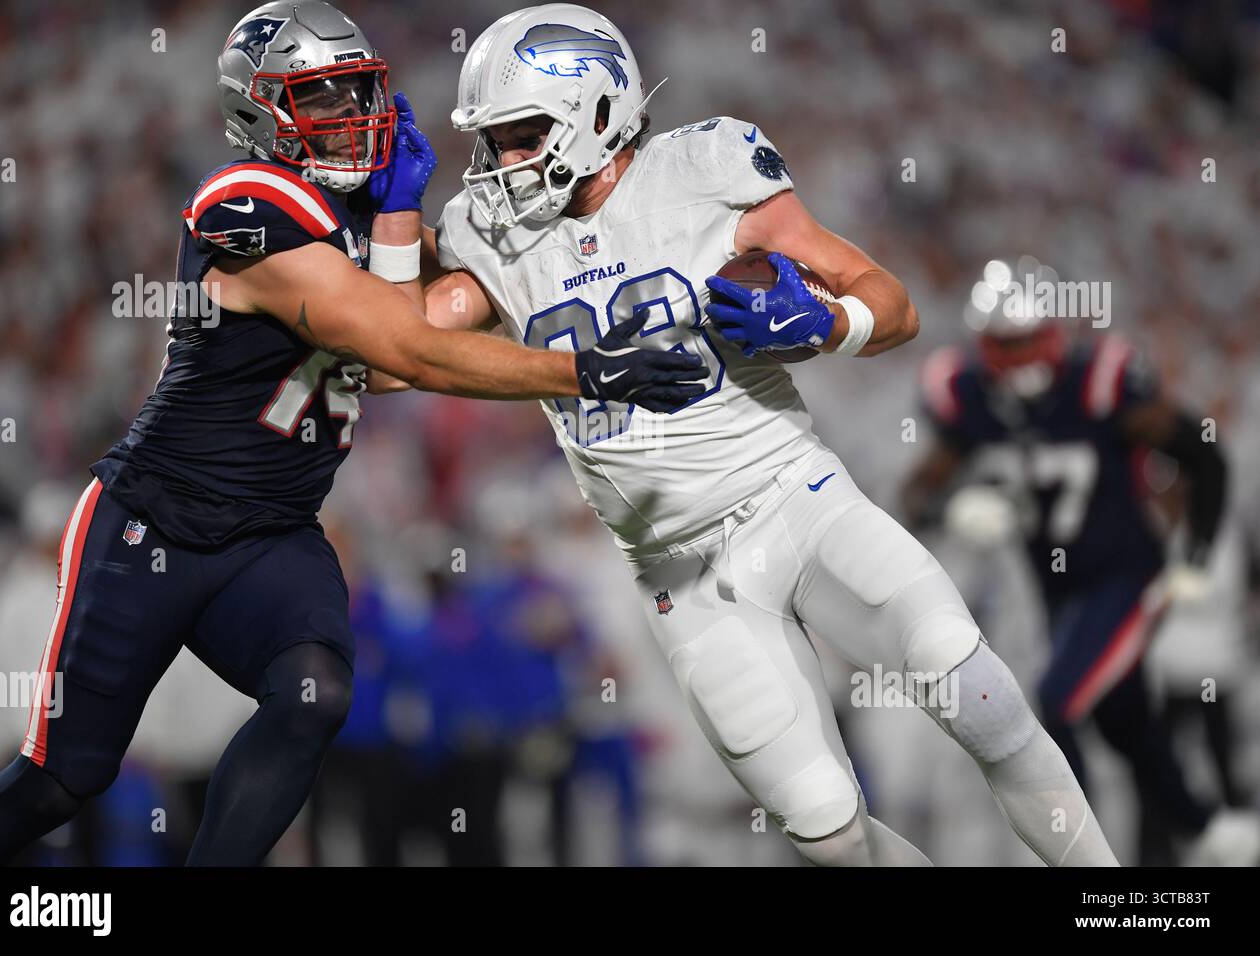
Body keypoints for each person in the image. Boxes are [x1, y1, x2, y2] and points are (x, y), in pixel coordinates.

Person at [0, 0, 704, 867]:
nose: (350, 118)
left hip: (272, 533)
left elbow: (390, 364)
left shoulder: (354, 213)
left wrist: (412, 219)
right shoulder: (246, 201)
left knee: (315, 693)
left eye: (358, 93)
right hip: (152, 520)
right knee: (61, 783)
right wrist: (589, 368)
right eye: (321, 100)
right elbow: (406, 351)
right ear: (259, 112)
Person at [420, 3, 1118, 865]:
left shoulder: (704, 167)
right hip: (679, 568)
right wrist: (382, 228)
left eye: (522, 134)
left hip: (794, 496)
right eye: (494, 141)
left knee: (972, 685)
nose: (501, 163)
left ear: (596, 112)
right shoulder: (489, 237)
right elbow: (394, 352)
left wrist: (826, 325)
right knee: (825, 829)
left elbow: (891, 303)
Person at [902, 257, 1255, 864]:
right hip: (1058, 596)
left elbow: (1206, 454)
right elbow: (916, 496)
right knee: (1126, 727)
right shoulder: (967, 397)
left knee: (1059, 699)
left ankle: (1083, 864)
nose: (1020, 360)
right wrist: (954, 510)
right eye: (1005, 346)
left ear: (1055, 334)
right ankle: (1210, 831)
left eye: (1030, 341)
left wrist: (1193, 557)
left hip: (1129, 578)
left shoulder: (1100, 382)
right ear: (983, 345)